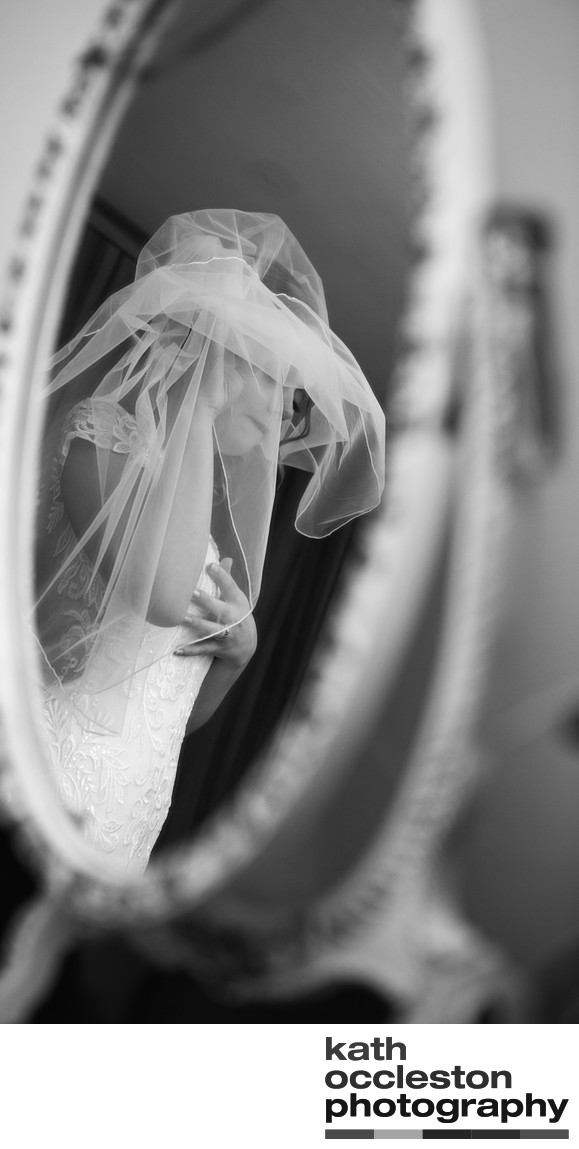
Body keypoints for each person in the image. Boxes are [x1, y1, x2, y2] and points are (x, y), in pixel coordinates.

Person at [32, 208, 385, 875]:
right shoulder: (100, 437)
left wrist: (235, 659)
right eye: (283, 382)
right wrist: (197, 407)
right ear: (216, 356)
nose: (292, 412)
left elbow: (169, 721)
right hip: (55, 780)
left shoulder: (202, 524)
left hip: (131, 812)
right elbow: (164, 599)